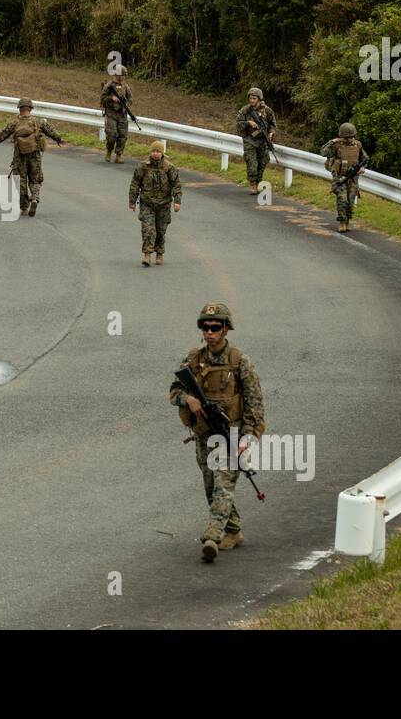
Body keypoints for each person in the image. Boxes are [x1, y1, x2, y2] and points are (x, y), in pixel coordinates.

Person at [169, 303, 266, 563]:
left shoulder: (239, 361)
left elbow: (255, 403)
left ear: (225, 329)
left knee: (224, 485)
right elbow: (174, 391)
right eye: (205, 327)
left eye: (215, 327)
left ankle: (212, 536)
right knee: (211, 487)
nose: (209, 332)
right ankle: (233, 530)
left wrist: (249, 437)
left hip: (230, 434)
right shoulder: (193, 360)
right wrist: (188, 400)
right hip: (203, 435)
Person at [0, 97, 65, 217]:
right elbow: (51, 131)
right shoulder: (38, 122)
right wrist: (59, 139)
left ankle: (24, 207)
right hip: (35, 154)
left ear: (19, 108)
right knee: (36, 179)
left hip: (19, 156)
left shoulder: (15, 122)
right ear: (30, 108)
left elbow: (3, 134)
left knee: (20, 181)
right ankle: (35, 198)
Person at [129, 140, 182, 265]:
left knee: (160, 230)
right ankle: (147, 255)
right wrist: (132, 201)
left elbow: (177, 185)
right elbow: (135, 184)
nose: (155, 153)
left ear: (162, 153)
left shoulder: (169, 167)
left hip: (163, 204)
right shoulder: (143, 166)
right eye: (153, 151)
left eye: (158, 151)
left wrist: (177, 201)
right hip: (147, 203)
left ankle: (159, 253)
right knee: (148, 229)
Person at [321, 122, 370, 232]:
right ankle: (342, 222)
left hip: (353, 178)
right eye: (347, 137)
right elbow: (323, 152)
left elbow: (365, 157)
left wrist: (363, 167)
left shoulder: (358, 145)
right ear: (342, 136)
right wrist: (332, 141)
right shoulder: (337, 145)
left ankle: (347, 221)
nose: (350, 139)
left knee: (351, 200)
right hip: (339, 177)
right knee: (342, 199)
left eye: (352, 137)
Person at [236, 87, 277, 194]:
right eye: (250, 98)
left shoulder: (267, 111)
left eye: (254, 98)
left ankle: (259, 182)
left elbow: (273, 124)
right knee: (252, 162)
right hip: (250, 140)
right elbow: (238, 124)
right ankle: (253, 184)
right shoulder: (245, 110)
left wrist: (271, 133)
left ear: (259, 99)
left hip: (263, 140)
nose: (252, 100)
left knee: (262, 162)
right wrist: (248, 123)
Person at [100, 74, 133, 163]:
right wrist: (111, 98)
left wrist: (126, 104)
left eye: (123, 75)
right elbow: (102, 99)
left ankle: (119, 155)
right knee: (112, 135)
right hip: (111, 113)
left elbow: (130, 99)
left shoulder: (125, 86)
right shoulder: (109, 86)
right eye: (121, 75)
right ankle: (109, 151)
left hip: (122, 114)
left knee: (123, 136)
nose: (122, 77)